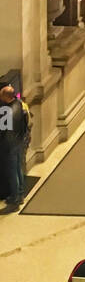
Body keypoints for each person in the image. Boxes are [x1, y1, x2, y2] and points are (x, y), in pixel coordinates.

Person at [0, 83, 29, 212]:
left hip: (9, 144)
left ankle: (15, 199)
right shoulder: (19, 103)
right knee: (18, 168)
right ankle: (21, 193)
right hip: (19, 141)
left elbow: (2, 130)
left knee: (12, 172)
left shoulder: (5, 111)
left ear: (5, 97)